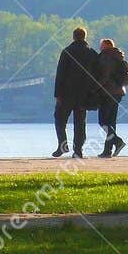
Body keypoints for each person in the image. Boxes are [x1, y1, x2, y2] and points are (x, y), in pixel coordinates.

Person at [52, 26, 102, 158]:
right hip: (85, 94)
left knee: (59, 119)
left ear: (74, 37)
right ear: (84, 37)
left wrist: (57, 94)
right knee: (80, 123)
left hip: (66, 93)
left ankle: (62, 146)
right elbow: (98, 74)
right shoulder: (92, 53)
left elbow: (60, 74)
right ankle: (78, 150)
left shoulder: (67, 51)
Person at [95, 36, 128, 158]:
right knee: (111, 122)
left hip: (107, 92)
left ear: (105, 46)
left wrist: (95, 88)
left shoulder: (106, 57)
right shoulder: (118, 56)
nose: (100, 48)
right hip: (118, 92)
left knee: (103, 122)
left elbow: (105, 76)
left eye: (101, 45)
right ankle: (108, 150)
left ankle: (117, 142)